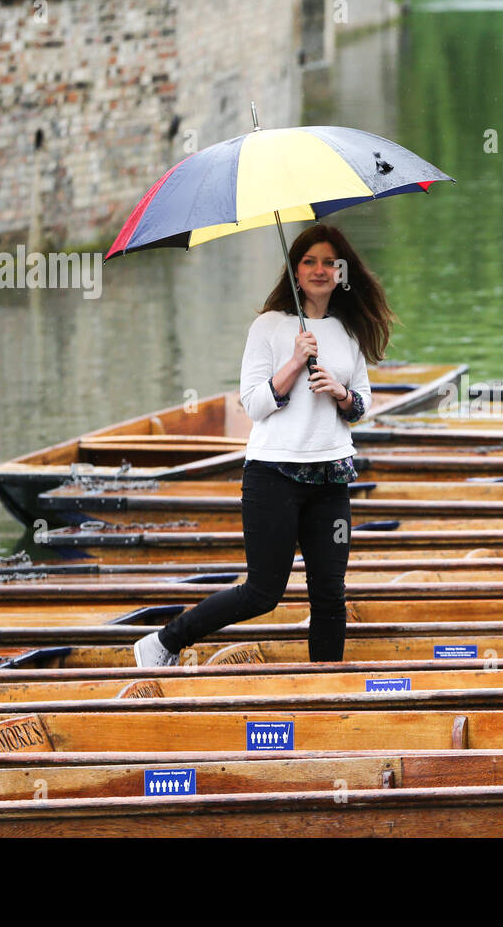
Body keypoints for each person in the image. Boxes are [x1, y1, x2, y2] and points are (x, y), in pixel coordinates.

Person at [133, 223, 394, 667]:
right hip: (274, 475)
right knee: (263, 592)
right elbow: (253, 404)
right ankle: (164, 642)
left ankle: (326, 693)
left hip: (331, 475)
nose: (319, 269)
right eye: (309, 261)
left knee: (330, 596)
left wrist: (340, 392)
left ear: (341, 271)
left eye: (329, 262)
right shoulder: (269, 327)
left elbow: (361, 406)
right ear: (294, 272)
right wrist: (293, 363)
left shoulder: (348, 331)